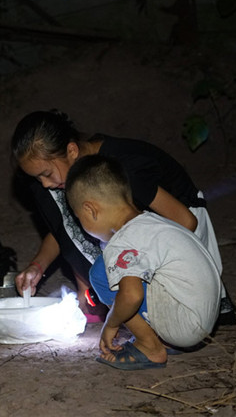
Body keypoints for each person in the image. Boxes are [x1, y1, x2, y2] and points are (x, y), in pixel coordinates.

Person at [10, 110, 234, 324]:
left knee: (133, 291)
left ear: (71, 151)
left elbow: (186, 222)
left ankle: (153, 319)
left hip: (178, 231)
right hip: (138, 234)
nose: (46, 183)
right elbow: (64, 230)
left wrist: (131, 265)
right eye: (37, 177)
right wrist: (37, 267)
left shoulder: (120, 169)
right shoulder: (62, 181)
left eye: (47, 174)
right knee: (51, 199)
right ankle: (110, 299)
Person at [65, 154, 221, 369]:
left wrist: (111, 324)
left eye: (78, 217)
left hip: (185, 326)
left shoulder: (125, 239)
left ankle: (150, 346)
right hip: (205, 321)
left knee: (101, 273)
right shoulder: (152, 222)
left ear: (90, 210)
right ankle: (163, 340)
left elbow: (132, 295)